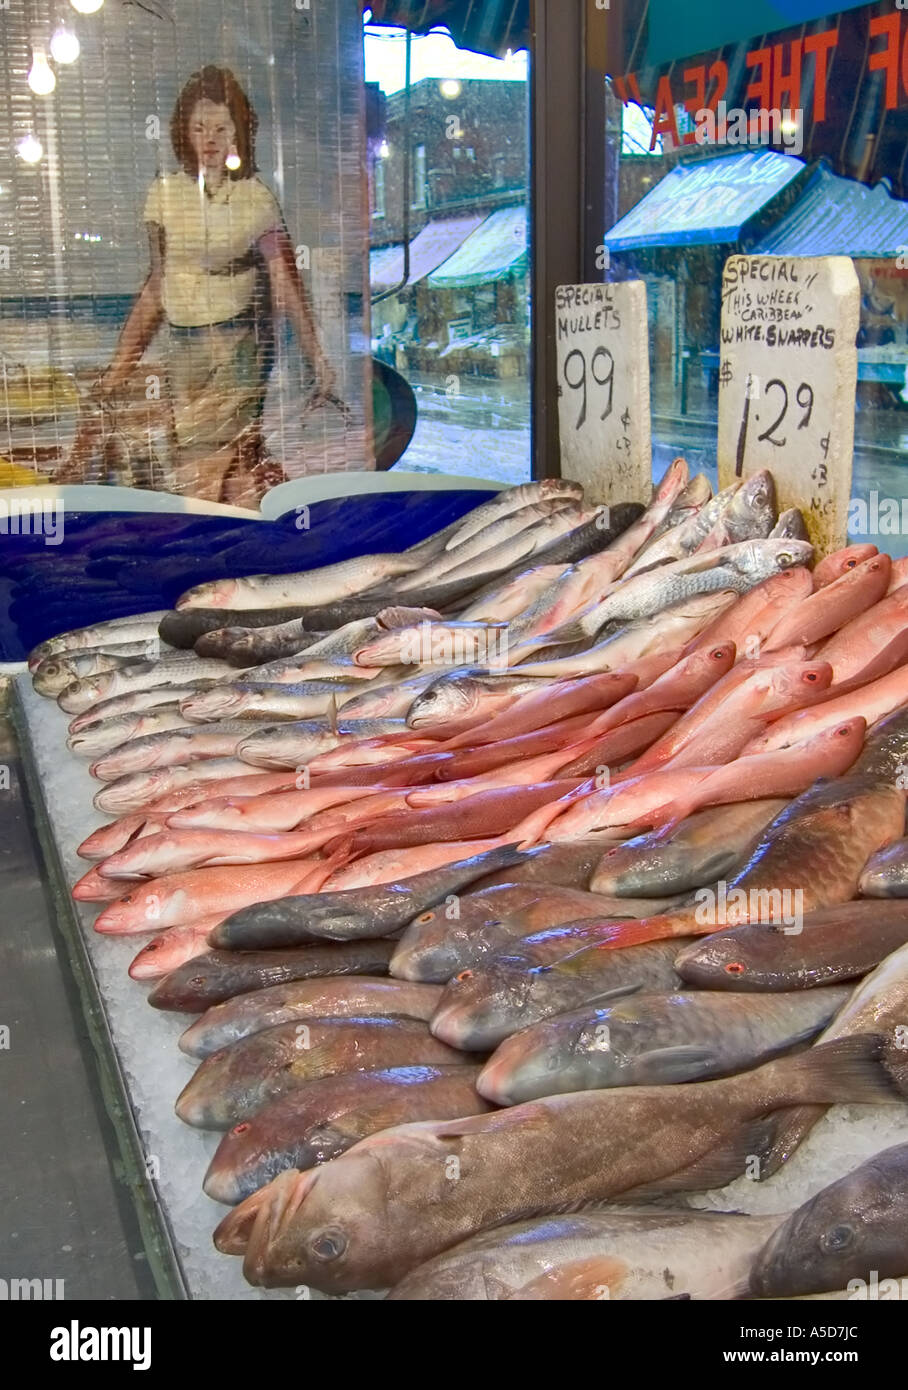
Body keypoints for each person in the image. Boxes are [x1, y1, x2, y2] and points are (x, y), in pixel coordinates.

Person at [61, 65, 336, 506]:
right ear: (183, 133)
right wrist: (118, 370)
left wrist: (317, 358)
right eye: (199, 127)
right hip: (183, 350)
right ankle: (240, 538)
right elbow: (156, 287)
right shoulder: (164, 196)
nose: (210, 139)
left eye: (221, 128)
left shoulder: (257, 199)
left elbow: (285, 284)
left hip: (237, 348)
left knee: (206, 464)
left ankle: (211, 540)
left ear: (237, 133)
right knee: (213, 462)